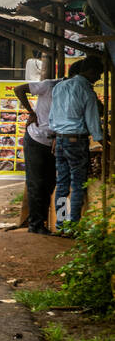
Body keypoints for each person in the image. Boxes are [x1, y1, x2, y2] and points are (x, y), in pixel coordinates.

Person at [48, 56, 106, 233]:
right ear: (91, 71)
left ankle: (62, 224)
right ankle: (73, 226)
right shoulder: (87, 92)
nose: (98, 79)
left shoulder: (59, 87)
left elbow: (52, 117)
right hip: (76, 141)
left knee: (62, 183)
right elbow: (94, 124)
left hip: (60, 139)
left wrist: (55, 137)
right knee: (78, 184)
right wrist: (106, 143)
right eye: (98, 75)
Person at [14, 76, 60, 234]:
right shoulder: (49, 85)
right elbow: (19, 89)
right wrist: (31, 112)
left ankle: (42, 222)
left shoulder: (67, 90)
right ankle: (35, 225)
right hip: (36, 138)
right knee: (36, 183)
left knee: (49, 182)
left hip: (52, 141)